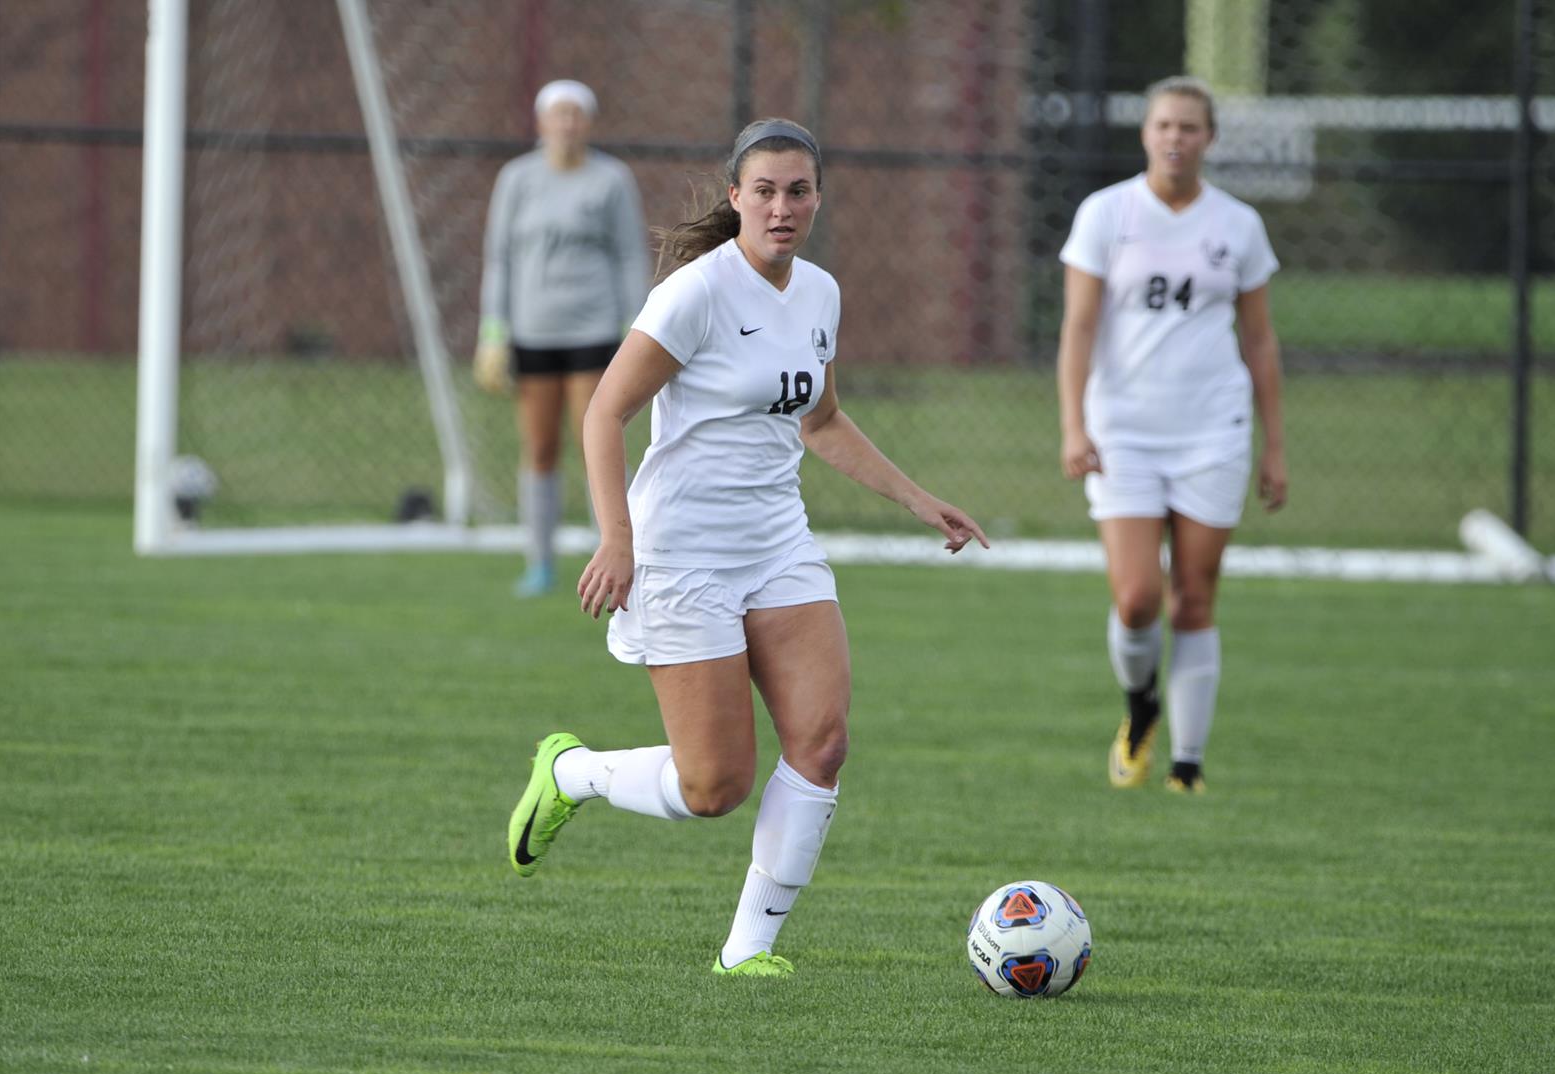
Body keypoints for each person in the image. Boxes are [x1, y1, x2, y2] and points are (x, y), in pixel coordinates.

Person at [504, 118, 988, 977]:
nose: (781, 206)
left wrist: (918, 498)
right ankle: (571, 772)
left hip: (777, 543)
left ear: (816, 200)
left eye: (798, 190)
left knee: (824, 743)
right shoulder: (695, 294)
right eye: (763, 190)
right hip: (682, 554)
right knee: (713, 789)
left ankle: (747, 953)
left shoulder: (821, 294)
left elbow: (822, 421)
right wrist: (615, 539)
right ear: (735, 199)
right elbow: (603, 412)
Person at [1056, 76, 1287, 795]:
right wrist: (1073, 424)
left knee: (1194, 596)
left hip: (1212, 428)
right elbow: (1081, 327)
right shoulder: (1107, 213)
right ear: (1145, 134)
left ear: (1209, 138)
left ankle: (1187, 767)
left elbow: (1259, 340)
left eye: (1189, 127)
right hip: (1124, 428)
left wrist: (1274, 447)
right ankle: (1140, 707)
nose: (1175, 139)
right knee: (1137, 599)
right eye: (1163, 126)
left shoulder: (1238, 225)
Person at [475, 79, 650, 598]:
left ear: (589, 122)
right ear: (541, 121)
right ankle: (540, 562)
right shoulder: (517, 179)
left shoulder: (612, 180)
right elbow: (499, 257)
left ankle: (617, 555)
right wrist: (493, 333)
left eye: (576, 115)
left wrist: (633, 330)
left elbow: (628, 255)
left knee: (597, 442)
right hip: (533, 333)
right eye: (559, 114)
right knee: (540, 447)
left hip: (593, 332)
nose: (567, 124)